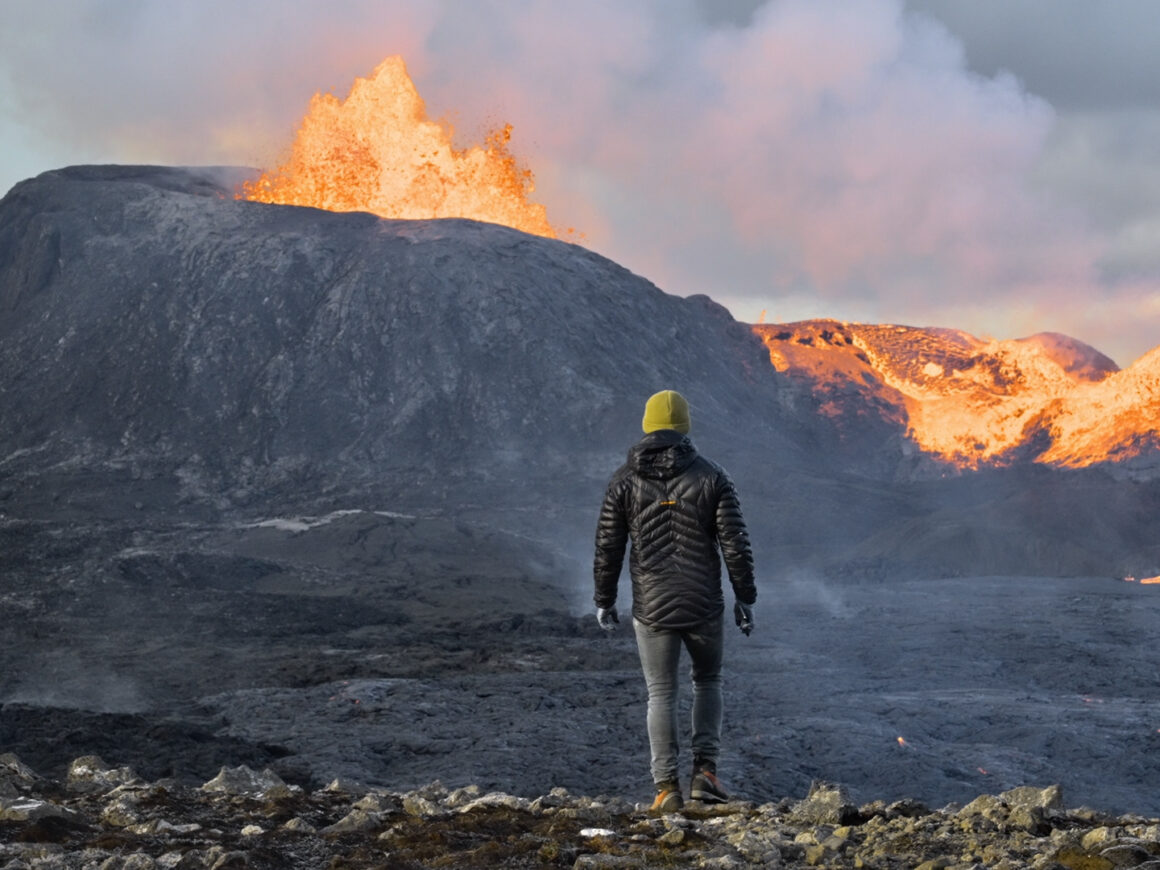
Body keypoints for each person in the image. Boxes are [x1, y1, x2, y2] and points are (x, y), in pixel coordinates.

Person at [593, 389, 756, 812]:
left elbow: (608, 546)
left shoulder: (623, 480)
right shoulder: (712, 476)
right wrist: (745, 597)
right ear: (685, 425)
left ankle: (665, 788)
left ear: (647, 425)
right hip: (703, 602)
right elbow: (734, 544)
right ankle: (706, 775)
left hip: (652, 606)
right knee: (708, 681)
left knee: (660, 693)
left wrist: (605, 599)